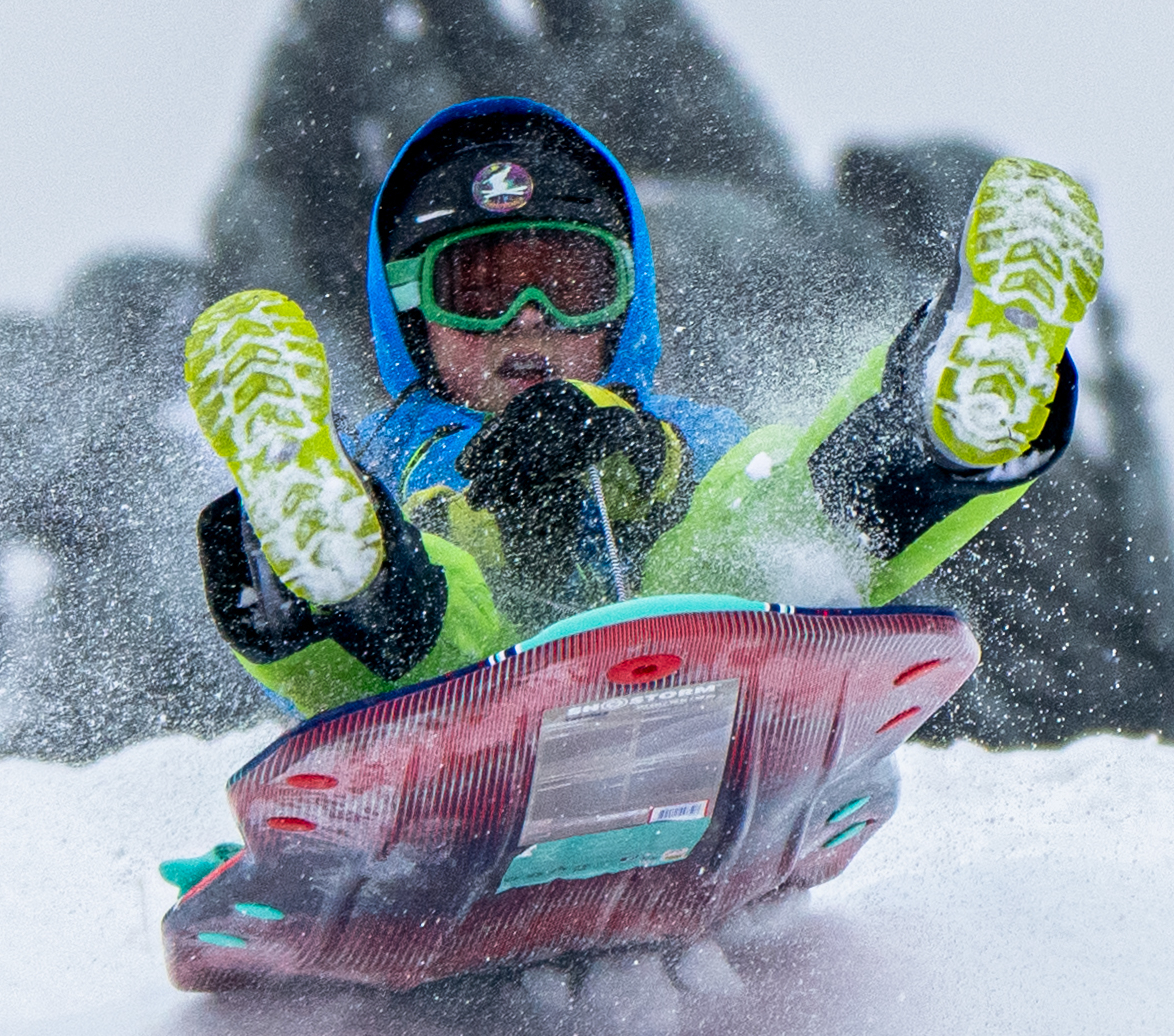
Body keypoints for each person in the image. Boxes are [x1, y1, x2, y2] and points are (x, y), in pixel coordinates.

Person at [182, 96, 1100, 719]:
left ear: (621, 305)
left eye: (568, 280)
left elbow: (732, 491)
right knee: (412, 578)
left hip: (683, 673)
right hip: (450, 704)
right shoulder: (385, 461)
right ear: (413, 314)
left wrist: (637, 458)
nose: (528, 315)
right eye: (482, 284)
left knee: (763, 509)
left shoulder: (671, 427)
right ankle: (333, 558)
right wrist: (471, 518)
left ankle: (939, 418)